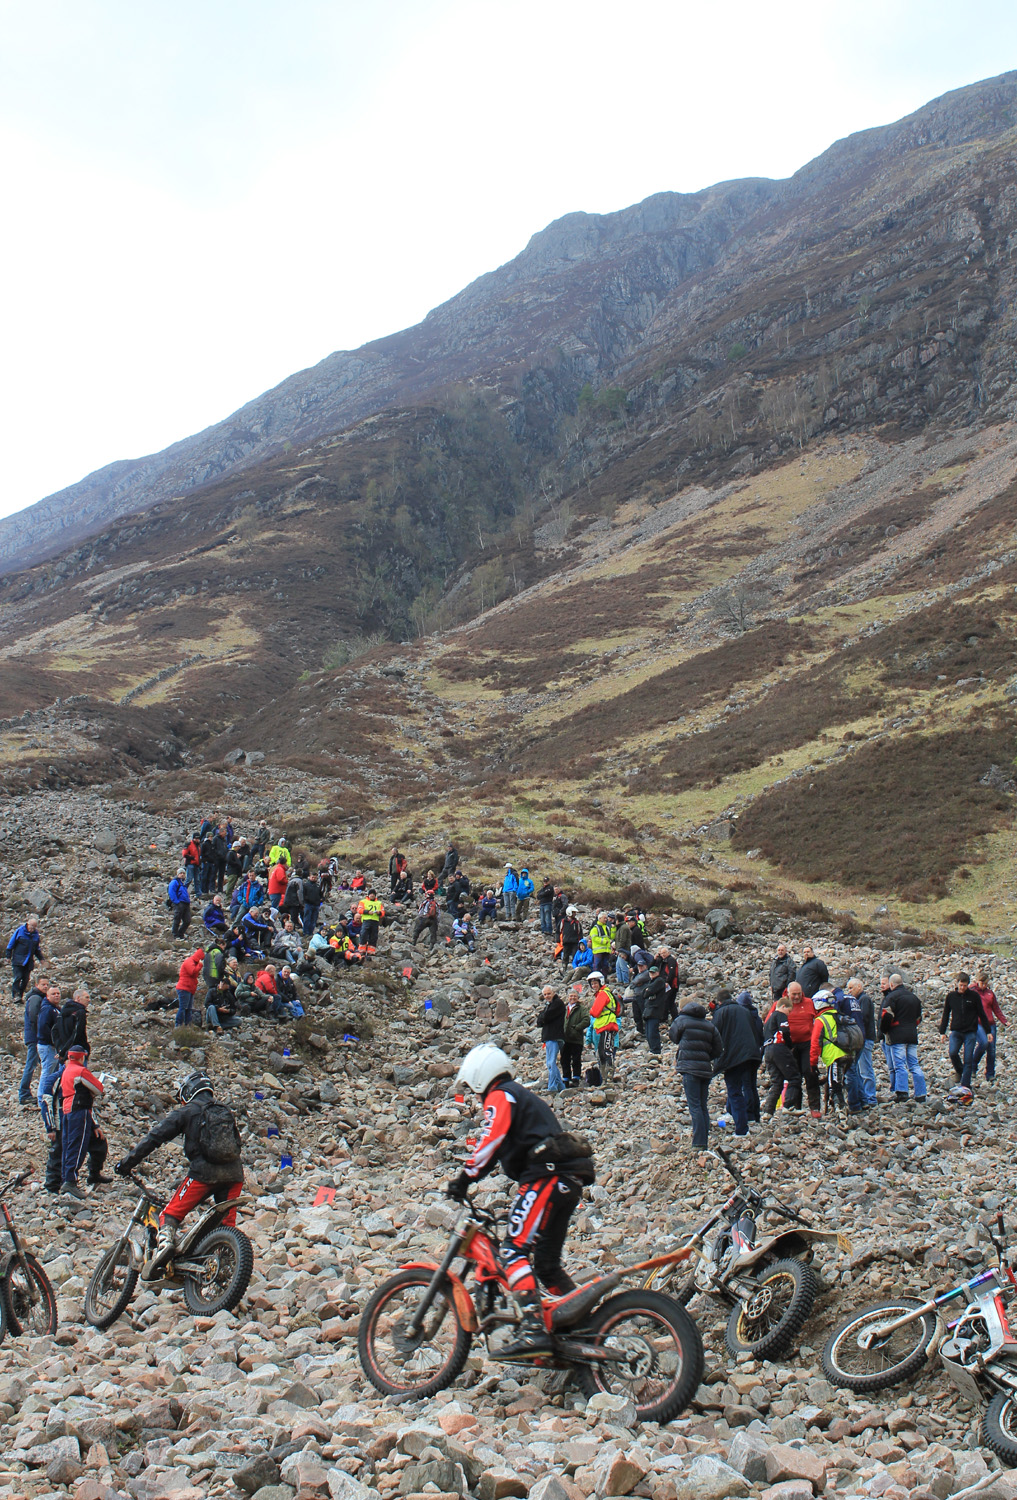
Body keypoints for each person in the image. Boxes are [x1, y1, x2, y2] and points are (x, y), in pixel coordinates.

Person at [446, 1045, 594, 1358]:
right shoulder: (520, 1095)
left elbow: (491, 1139)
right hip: (567, 1181)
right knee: (546, 1265)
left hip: (546, 1179)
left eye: (473, 1090)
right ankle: (583, 1329)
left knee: (513, 1250)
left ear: (480, 1077)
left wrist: (464, 1178)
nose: (475, 1097)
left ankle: (533, 1331)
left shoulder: (501, 1095)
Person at [115, 1071, 243, 1278]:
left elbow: (154, 1138)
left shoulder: (186, 1112)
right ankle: (229, 1269)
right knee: (227, 1225)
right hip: (235, 1175)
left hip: (203, 1175)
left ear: (188, 1090)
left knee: (170, 1214)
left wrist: (127, 1163)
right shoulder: (224, 1110)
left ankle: (165, 1245)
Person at [41, 1057, 107, 1195]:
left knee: (99, 1144)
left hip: (81, 1120)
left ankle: (94, 1174)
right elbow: (46, 1103)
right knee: (59, 1153)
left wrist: (94, 1124)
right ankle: (53, 1187)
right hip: (62, 1122)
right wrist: (50, 1127)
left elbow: (86, 1102)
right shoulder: (55, 1078)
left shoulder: (79, 1075)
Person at [670, 996, 723, 1148]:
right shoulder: (709, 1025)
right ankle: (703, 1139)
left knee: (694, 1106)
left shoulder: (681, 1021)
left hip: (689, 1068)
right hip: (705, 1069)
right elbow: (719, 1049)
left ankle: (699, 1143)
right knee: (702, 1105)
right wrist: (706, 1057)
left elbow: (673, 1036)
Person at [714, 990, 763, 1133]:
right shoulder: (744, 1011)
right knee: (750, 1086)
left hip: (734, 1057)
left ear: (719, 1002)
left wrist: (717, 1059)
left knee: (735, 1090)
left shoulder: (721, 1013)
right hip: (752, 1054)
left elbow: (715, 1035)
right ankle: (753, 1117)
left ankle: (742, 1128)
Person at [60, 1044, 105, 1200]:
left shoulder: (66, 1071)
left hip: (66, 1110)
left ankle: (66, 1178)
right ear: (82, 1056)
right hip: (79, 1110)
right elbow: (98, 1088)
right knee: (78, 1145)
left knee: (68, 1145)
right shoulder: (80, 1071)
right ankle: (71, 1182)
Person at [773, 982, 821, 1115]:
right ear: (788, 993)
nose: (797, 997)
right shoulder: (780, 1004)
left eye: (799, 994)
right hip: (789, 1045)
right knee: (794, 1075)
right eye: (794, 994)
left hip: (807, 1043)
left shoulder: (809, 1002)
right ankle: (795, 1106)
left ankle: (815, 1107)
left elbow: (818, 1019)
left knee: (810, 1072)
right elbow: (770, 1021)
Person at [940, 972, 990, 1091]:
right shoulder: (951, 996)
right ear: (957, 984)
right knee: (952, 1053)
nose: (962, 988)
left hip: (970, 1032)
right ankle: (959, 1071)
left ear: (968, 984)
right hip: (956, 1031)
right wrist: (942, 1031)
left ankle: (965, 1085)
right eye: (961, 985)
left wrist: (988, 1031)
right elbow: (946, 1014)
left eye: (965, 985)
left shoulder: (974, 996)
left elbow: (982, 1014)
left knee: (968, 1059)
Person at [881, 972, 926, 1102]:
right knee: (914, 1064)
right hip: (912, 1034)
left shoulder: (892, 997)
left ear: (891, 984)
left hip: (897, 1035)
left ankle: (902, 1092)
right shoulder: (914, 998)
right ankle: (921, 1093)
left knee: (900, 1064)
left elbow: (887, 1016)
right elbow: (919, 1018)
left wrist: (885, 1030)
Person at [809, 992, 849, 1112]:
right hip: (848, 1053)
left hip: (834, 1056)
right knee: (841, 1082)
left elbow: (815, 1043)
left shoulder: (821, 1020)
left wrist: (812, 1063)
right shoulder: (839, 1015)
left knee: (834, 1086)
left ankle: (840, 1112)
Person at [842, 978, 878, 1111]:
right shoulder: (860, 1000)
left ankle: (870, 1098)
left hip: (865, 1038)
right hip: (864, 1038)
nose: (849, 991)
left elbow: (865, 1017)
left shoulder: (864, 1000)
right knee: (858, 1070)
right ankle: (865, 1098)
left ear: (859, 987)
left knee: (864, 1069)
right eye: (848, 988)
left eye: (851, 988)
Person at [762, 997, 799, 1114]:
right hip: (779, 1048)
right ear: (783, 1006)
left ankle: (768, 1111)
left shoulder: (768, 1021)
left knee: (776, 1082)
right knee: (794, 1077)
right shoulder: (780, 1015)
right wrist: (790, 1045)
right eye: (789, 1011)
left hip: (767, 1050)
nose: (788, 1014)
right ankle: (789, 1106)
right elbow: (785, 1030)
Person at [971, 972, 1006, 1083]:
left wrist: (1004, 1021)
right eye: (982, 983)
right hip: (978, 1023)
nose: (984, 986)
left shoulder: (990, 994)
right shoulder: (973, 992)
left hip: (990, 1024)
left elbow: (996, 1009)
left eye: (985, 983)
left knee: (991, 1050)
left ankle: (990, 1073)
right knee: (983, 1043)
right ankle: (973, 1065)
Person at [19, 977, 46, 1106]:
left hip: (34, 1037)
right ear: (36, 985)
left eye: (47, 984)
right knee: (31, 1065)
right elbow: (34, 1018)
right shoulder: (36, 998)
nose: (45, 987)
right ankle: (24, 1094)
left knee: (38, 1064)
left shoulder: (37, 997)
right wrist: (40, 1034)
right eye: (43, 984)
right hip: (35, 1038)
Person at [36, 984, 62, 1116]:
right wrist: (54, 1043)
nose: (56, 995)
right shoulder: (47, 1010)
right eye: (53, 994)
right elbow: (44, 1028)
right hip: (47, 1046)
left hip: (50, 1046)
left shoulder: (54, 1009)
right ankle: (41, 1099)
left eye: (58, 993)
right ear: (47, 995)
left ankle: (48, 1096)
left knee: (51, 1072)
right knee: (47, 1072)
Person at [587, 972, 619, 1080]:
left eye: (595, 983)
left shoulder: (603, 994)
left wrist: (591, 1010)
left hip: (607, 1025)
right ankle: (605, 1078)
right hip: (605, 1025)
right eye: (592, 984)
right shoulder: (606, 993)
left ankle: (608, 1077)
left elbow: (595, 1012)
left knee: (605, 1051)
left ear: (601, 982)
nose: (593, 986)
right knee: (602, 1051)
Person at [536, 986, 566, 1094]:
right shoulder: (550, 1005)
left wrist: (542, 1018)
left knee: (551, 1062)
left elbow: (545, 1017)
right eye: (545, 994)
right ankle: (561, 1086)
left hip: (554, 1036)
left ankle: (552, 1087)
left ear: (553, 993)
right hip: (550, 1037)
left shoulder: (557, 1003)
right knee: (550, 1062)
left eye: (548, 994)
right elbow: (540, 1020)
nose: (547, 996)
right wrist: (542, 1018)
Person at [7, 916, 44, 1001]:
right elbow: (11, 944)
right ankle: (15, 995)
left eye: (34, 927)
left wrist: (41, 959)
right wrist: (8, 956)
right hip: (18, 959)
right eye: (31, 926)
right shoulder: (20, 931)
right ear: (27, 924)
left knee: (26, 979)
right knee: (18, 977)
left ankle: (20, 994)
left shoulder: (36, 935)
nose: (32, 929)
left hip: (28, 961)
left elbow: (36, 949)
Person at [639, 963, 669, 1056]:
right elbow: (644, 993)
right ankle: (652, 1049)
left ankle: (656, 1050)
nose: (652, 974)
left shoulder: (659, 981)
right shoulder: (651, 982)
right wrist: (647, 990)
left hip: (655, 1010)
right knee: (648, 1033)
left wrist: (648, 990)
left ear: (657, 973)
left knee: (652, 1032)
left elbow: (649, 991)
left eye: (653, 972)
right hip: (648, 1010)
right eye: (650, 972)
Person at [562, 985, 587, 1087]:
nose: (572, 998)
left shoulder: (581, 1008)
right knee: (564, 1059)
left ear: (578, 998)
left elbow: (586, 1020)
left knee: (576, 1059)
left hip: (576, 1039)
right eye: (571, 996)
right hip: (564, 1038)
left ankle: (576, 1077)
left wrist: (577, 1028)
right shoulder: (564, 1008)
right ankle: (566, 1078)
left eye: (574, 996)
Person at [55, 988, 91, 1057]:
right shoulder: (80, 1012)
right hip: (77, 1051)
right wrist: (63, 1051)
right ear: (78, 998)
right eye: (86, 997)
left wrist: (60, 1049)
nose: (89, 1000)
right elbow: (77, 1034)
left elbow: (55, 1031)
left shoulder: (62, 1011)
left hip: (64, 1050)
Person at [175, 948, 205, 1029]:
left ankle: (187, 1025)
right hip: (184, 988)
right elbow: (192, 972)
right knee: (183, 1008)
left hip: (189, 989)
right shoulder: (189, 961)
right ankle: (178, 1025)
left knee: (188, 1009)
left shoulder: (193, 962)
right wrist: (200, 965)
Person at [357, 890, 385, 955]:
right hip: (366, 920)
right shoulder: (363, 901)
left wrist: (379, 912)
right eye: (371, 894)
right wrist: (367, 912)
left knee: (373, 936)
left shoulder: (379, 903)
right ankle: (361, 951)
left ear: (375, 895)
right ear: (368, 895)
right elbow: (359, 910)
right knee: (363, 934)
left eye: (373, 894)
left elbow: (383, 913)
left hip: (375, 922)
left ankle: (371, 952)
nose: (372, 895)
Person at [168, 869, 192, 939]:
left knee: (187, 920)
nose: (182, 874)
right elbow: (171, 892)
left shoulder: (183, 883)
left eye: (183, 873)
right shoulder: (175, 882)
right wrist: (177, 902)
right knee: (177, 919)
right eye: (180, 873)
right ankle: (175, 934)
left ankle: (180, 934)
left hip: (186, 903)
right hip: (179, 903)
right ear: (177, 874)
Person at [559, 907, 582, 971]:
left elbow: (580, 933)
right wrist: (558, 939)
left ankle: (575, 968)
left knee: (575, 956)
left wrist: (581, 941)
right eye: (573, 912)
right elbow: (558, 931)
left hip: (575, 942)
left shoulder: (577, 923)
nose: (575, 914)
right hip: (566, 942)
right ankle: (564, 968)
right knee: (565, 956)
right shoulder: (563, 921)